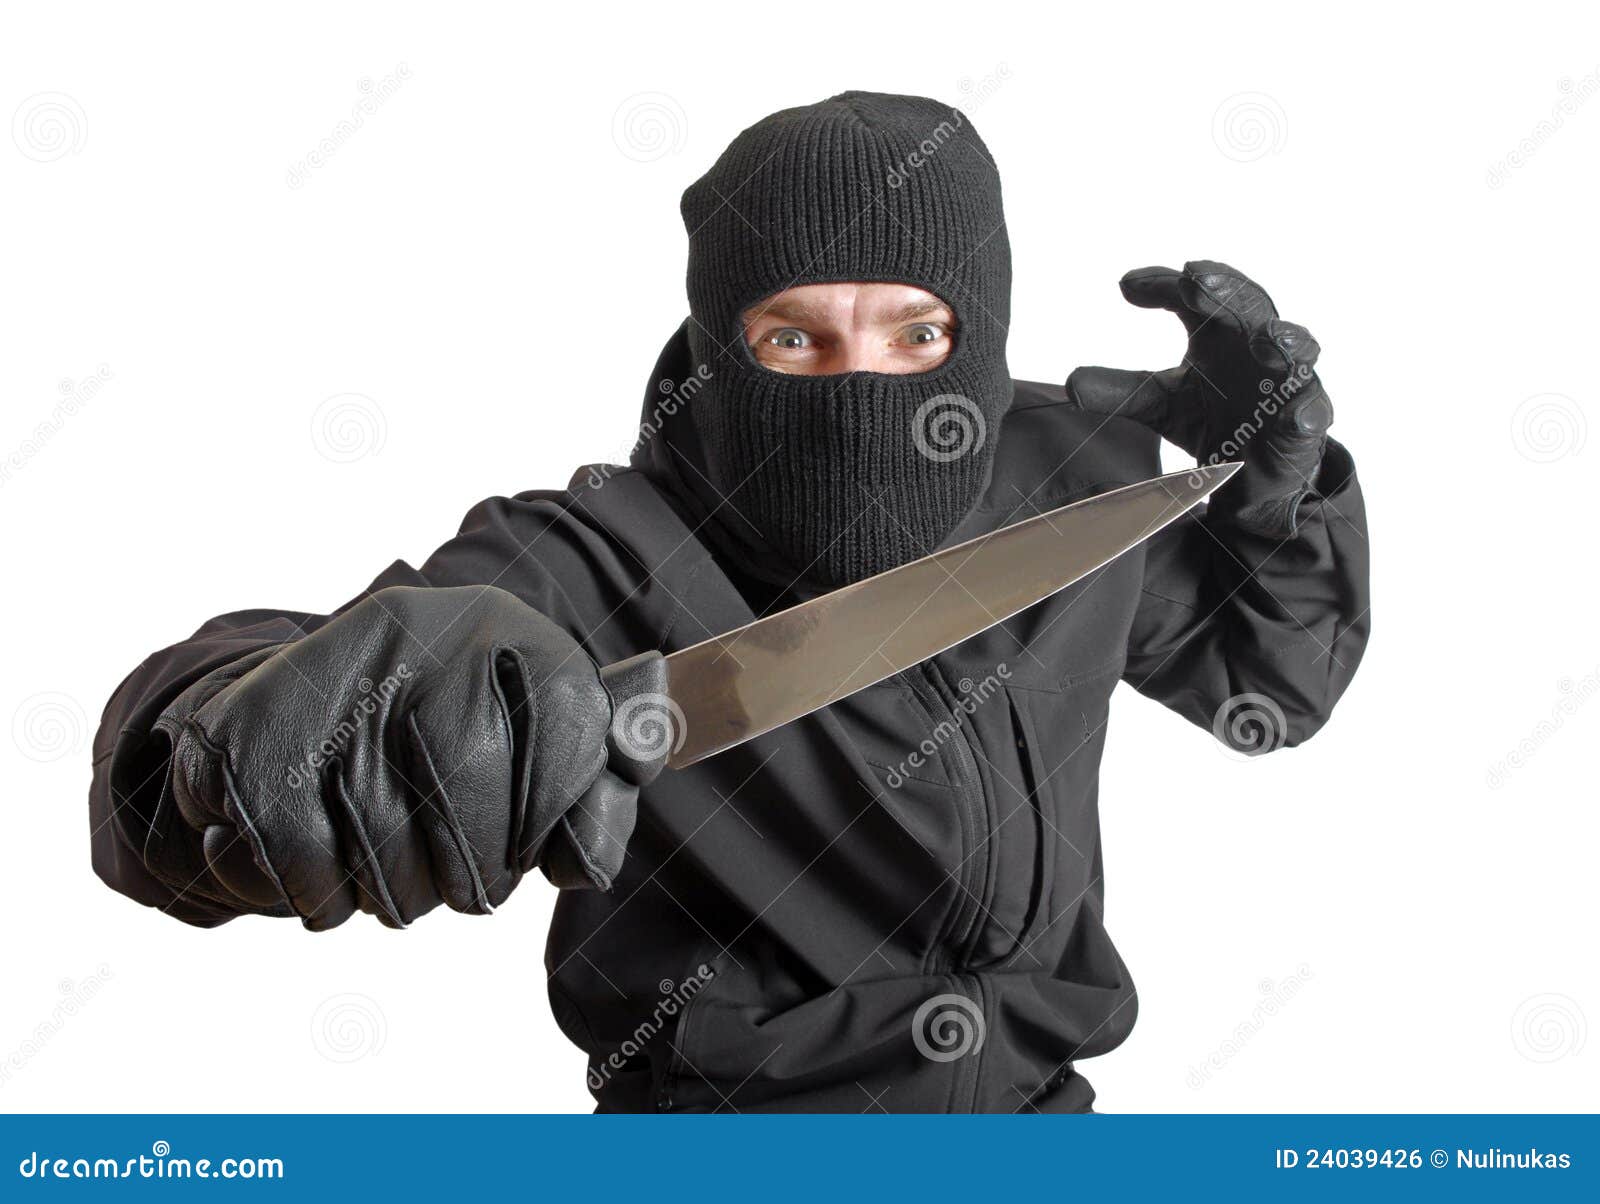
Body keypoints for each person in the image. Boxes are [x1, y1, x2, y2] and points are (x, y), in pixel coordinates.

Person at [88, 92, 1369, 1112]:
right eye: (791, 336)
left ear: (977, 335)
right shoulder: (598, 551)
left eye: (914, 333)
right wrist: (253, 733)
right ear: (718, 347)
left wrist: (1271, 503)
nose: (859, 378)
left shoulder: (1072, 480)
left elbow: (1275, 690)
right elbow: (166, 784)